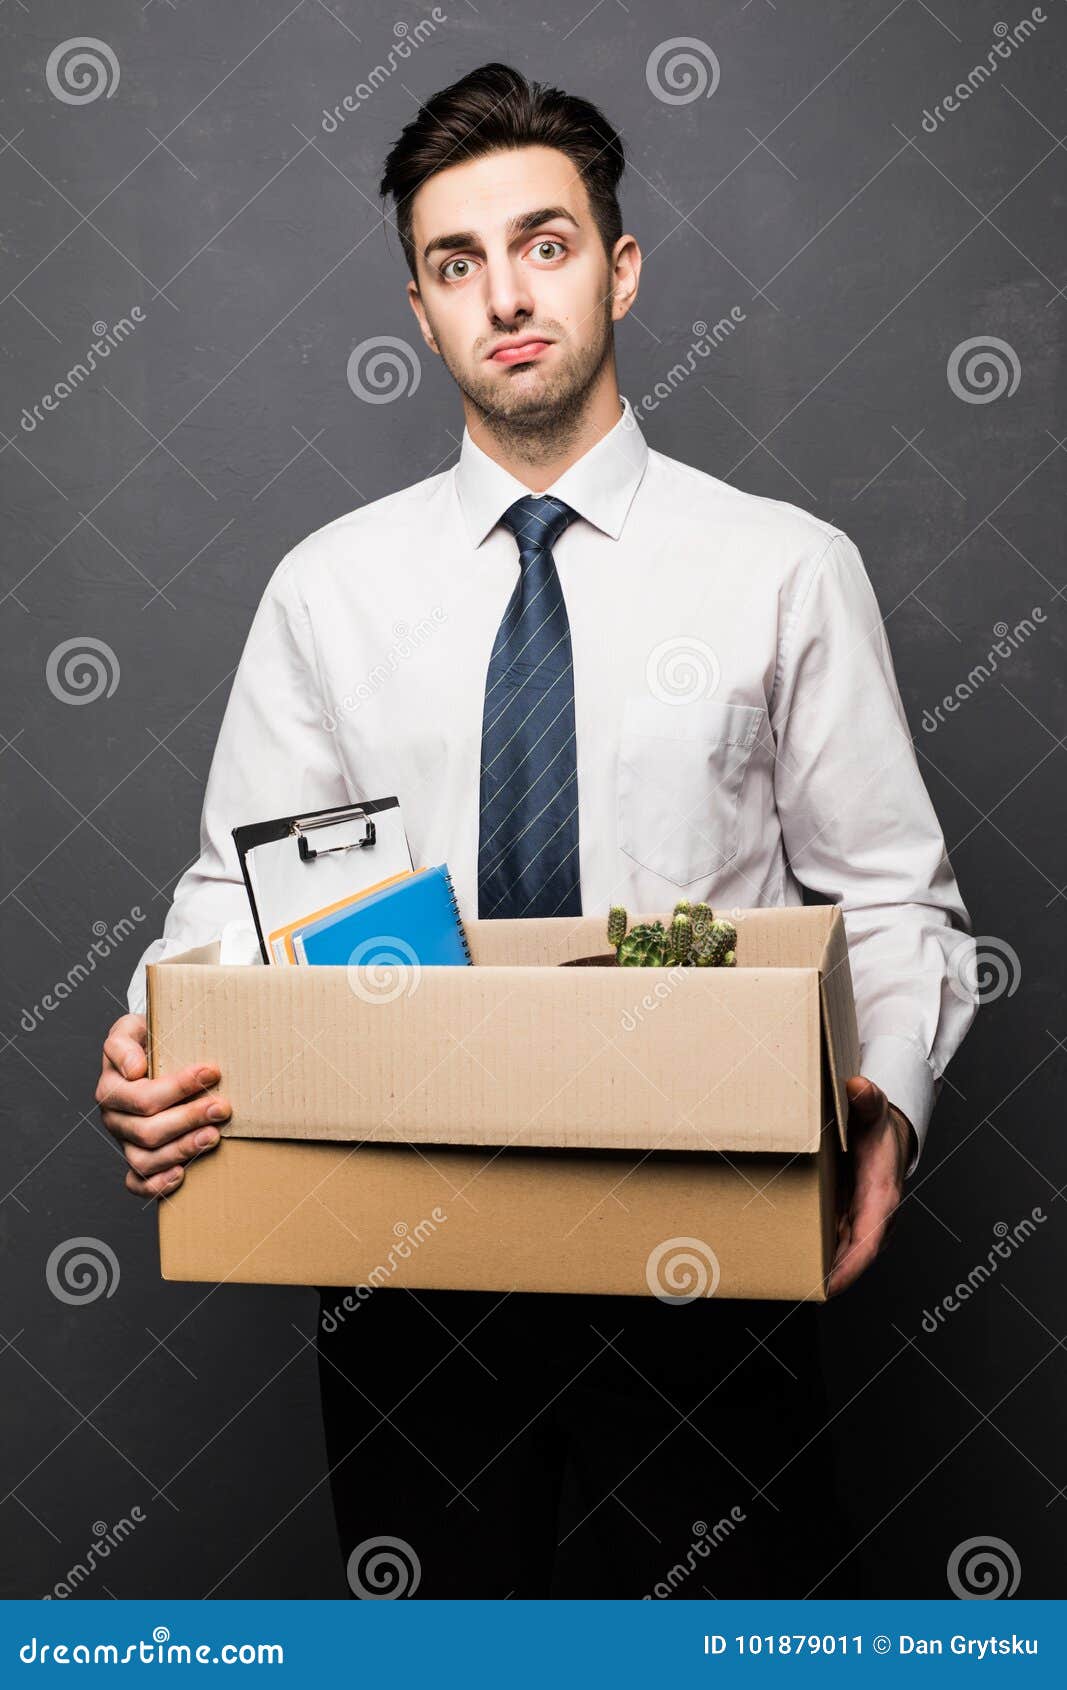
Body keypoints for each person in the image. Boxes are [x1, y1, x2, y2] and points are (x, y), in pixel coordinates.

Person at [97, 63, 976, 1597]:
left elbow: (893, 900)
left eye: (545, 243)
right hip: (406, 1249)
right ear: (421, 313)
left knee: (732, 1643)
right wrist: (151, 1034)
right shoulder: (331, 589)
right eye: (458, 263)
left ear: (620, 270)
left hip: (708, 1232)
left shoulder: (783, 569)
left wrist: (887, 1106)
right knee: (440, 1655)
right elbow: (243, 893)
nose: (506, 293)